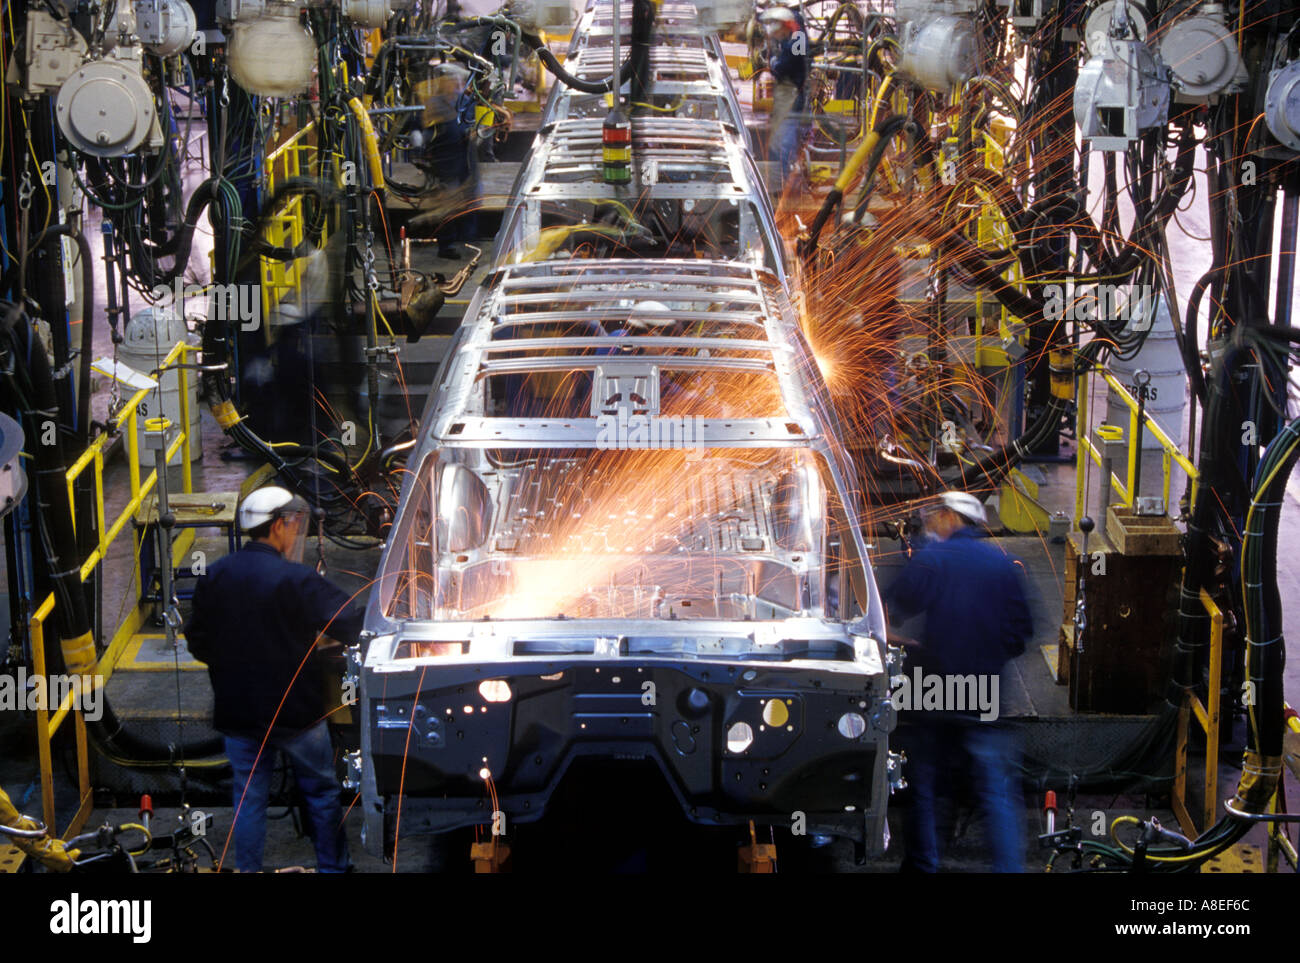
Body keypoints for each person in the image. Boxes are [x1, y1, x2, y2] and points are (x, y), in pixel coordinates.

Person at [185, 486, 364, 873]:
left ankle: (248, 871)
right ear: (279, 526)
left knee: (249, 798)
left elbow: (197, 641)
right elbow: (351, 622)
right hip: (296, 714)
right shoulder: (295, 579)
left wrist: (234, 665)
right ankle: (333, 869)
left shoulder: (215, 575)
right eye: (292, 524)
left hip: (238, 714)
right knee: (321, 793)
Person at [884, 490, 1033, 873]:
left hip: (936, 693)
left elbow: (896, 606)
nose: (932, 523)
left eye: (937, 516)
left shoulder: (935, 558)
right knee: (996, 792)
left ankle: (923, 864)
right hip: (986, 694)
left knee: (926, 786)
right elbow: (1020, 634)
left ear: (953, 518)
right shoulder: (1004, 566)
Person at [761, 6, 810, 181]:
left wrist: (774, 62)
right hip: (787, 93)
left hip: (792, 94)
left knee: (784, 140)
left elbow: (784, 66)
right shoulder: (793, 35)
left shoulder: (797, 39)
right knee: (782, 138)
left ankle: (783, 183)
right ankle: (782, 180)